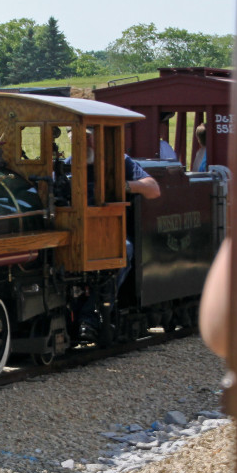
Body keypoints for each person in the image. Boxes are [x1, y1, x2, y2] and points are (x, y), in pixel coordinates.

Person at [69, 130, 160, 342]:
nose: (84, 144)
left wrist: (124, 186)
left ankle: (94, 311)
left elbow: (153, 189)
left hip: (109, 231)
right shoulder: (67, 165)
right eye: (78, 140)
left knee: (124, 250)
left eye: (88, 138)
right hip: (74, 232)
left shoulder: (121, 162)